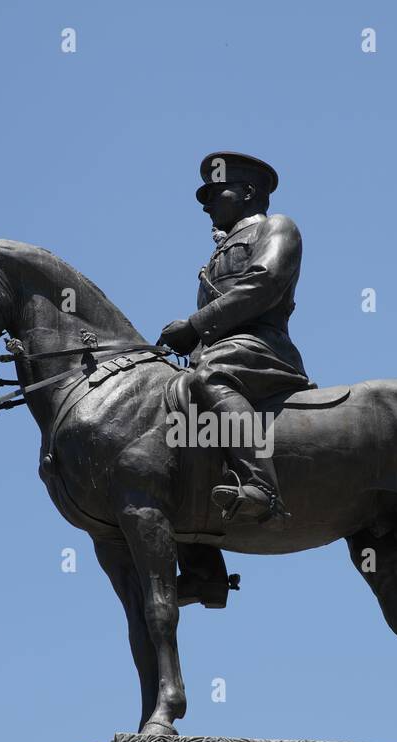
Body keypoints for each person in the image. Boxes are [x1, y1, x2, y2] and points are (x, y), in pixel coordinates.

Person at [157, 152, 311, 525]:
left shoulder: (276, 227)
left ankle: (261, 487)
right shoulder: (218, 251)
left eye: (215, 194)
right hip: (223, 350)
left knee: (211, 376)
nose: (207, 205)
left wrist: (194, 325)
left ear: (247, 192)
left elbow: (264, 283)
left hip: (262, 348)